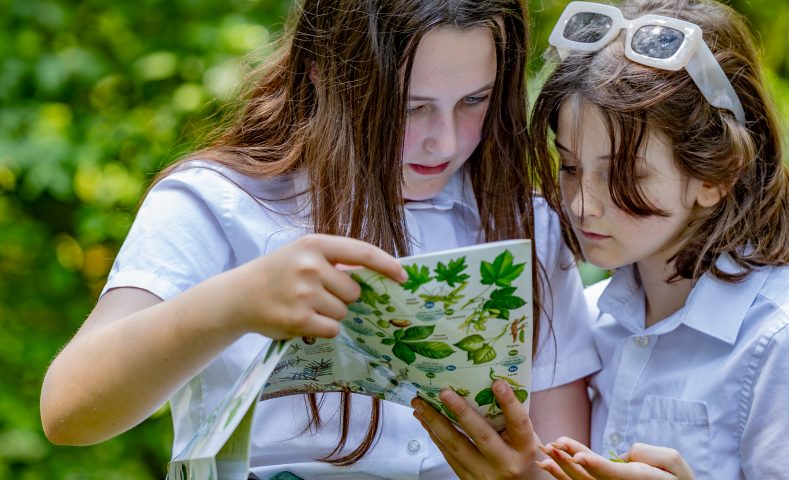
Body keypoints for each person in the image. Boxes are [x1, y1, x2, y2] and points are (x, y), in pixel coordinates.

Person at [39, 1, 601, 479]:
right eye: (410, 107)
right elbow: (69, 411)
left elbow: (563, 451)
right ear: (322, 73)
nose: (444, 140)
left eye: (474, 101)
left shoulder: (524, 221)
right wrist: (233, 303)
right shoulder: (222, 202)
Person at [518, 0, 789, 478]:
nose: (581, 205)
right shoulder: (592, 319)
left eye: (621, 174)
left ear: (715, 173)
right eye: (571, 167)